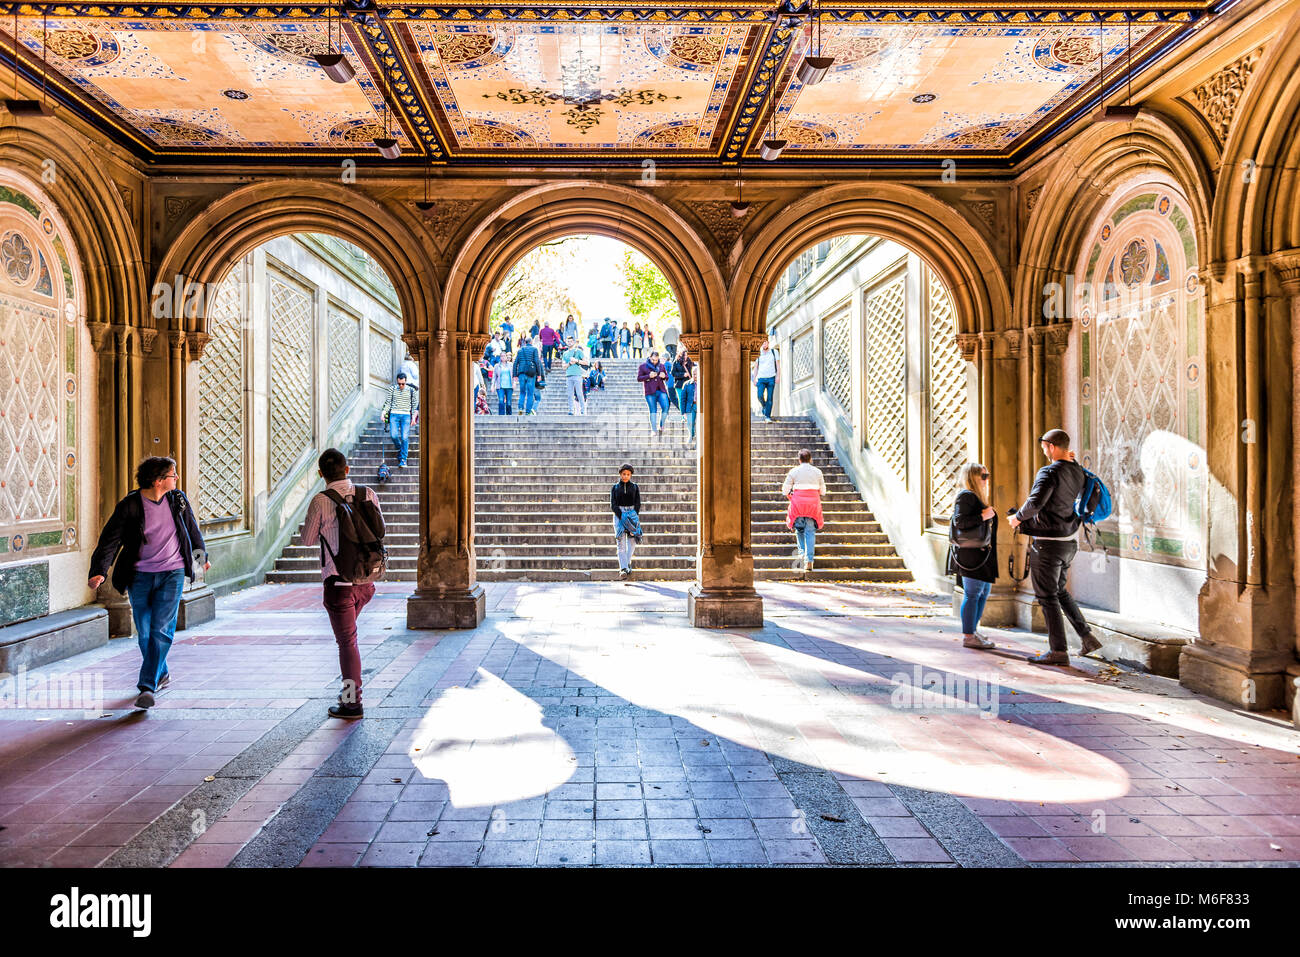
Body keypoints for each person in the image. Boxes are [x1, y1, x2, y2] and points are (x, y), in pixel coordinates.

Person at [88, 456, 209, 710]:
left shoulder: (177, 500)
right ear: (158, 481)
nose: (176, 479)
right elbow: (110, 539)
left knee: (161, 629)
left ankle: (147, 686)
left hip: (172, 573)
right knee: (145, 632)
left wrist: (201, 558)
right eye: (172, 475)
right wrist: (99, 570)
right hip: (139, 575)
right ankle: (161, 672)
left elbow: (192, 529)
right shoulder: (130, 505)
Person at [299, 448, 384, 720]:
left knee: (347, 643)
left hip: (338, 585)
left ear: (321, 474)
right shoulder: (368, 493)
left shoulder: (320, 501)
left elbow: (307, 540)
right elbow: (380, 530)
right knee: (349, 639)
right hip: (367, 582)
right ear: (347, 470)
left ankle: (351, 702)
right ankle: (348, 694)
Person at [1008, 429, 1104, 665]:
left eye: (1044, 448)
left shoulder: (1049, 472)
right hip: (1069, 541)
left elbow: (1035, 503)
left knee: (1047, 596)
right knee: (1059, 591)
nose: (1043, 452)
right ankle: (1087, 637)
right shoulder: (1077, 470)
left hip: (1048, 543)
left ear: (1051, 446)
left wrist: (1017, 518)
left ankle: (1058, 651)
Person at [948, 462, 999, 649]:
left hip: (981, 553)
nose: (987, 480)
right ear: (972, 478)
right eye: (983, 476)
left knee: (983, 593)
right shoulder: (966, 496)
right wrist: (982, 517)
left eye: (987, 476)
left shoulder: (975, 497)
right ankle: (969, 636)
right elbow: (960, 522)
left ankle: (973, 631)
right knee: (972, 593)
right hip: (970, 555)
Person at [782, 448, 825, 574]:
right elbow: (823, 491)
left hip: (798, 505)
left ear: (799, 459)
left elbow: (785, 490)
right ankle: (809, 560)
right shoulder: (818, 472)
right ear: (810, 459)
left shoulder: (794, 471)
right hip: (813, 505)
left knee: (799, 529)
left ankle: (801, 554)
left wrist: (793, 492)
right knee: (810, 531)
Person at [611, 464, 642, 580]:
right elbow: (612, 505)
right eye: (624, 474)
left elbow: (638, 503)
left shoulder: (635, 487)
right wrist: (621, 516)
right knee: (621, 542)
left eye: (628, 474)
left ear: (631, 475)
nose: (625, 476)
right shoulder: (614, 488)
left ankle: (627, 562)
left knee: (632, 541)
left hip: (632, 514)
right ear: (620, 474)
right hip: (619, 514)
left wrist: (633, 515)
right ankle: (623, 568)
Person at [380, 372, 418, 467]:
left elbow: (414, 406)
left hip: (406, 416)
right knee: (393, 436)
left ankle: (403, 460)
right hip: (394, 415)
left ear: (406, 381)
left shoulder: (411, 390)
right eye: (399, 383)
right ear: (397, 381)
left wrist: (413, 417)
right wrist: (383, 412)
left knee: (405, 437)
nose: (401, 385)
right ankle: (401, 449)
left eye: (403, 384)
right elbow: (388, 402)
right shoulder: (392, 389)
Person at [637, 349, 671, 435]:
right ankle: (654, 430)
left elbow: (666, 377)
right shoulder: (643, 366)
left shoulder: (662, 366)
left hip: (661, 390)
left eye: (656, 360)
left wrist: (664, 376)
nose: (655, 361)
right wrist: (649, 376)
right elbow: (639, 378)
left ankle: (661, 425)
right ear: (649, 357)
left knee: (666, 406)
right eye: (653, 360)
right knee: (653, 410)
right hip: (649, 391)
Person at [514, 336, 542, 415]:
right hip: (531, 374)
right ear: (531, 342)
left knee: (522, 392)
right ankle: (527, 411)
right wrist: (539, 374)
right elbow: (537, 362)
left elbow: (516, 363)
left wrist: (515, 375)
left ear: (525, 342)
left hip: (521, 373)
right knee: (530, 393)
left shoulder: (520, 350)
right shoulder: (534, 349)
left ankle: (520, 408)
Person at [752, 338, 779, 420]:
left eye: (765, 342)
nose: (764, 344)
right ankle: (764, 407)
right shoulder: (758, 353)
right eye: (762, 343)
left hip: (771, 378)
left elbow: (778, 365)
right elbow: (756, 367)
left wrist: (778, 376)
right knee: (759, 396)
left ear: (768, 343)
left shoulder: (774, 352)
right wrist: (754, 378)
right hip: (761, 379)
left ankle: (767, 416)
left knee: (770, 398)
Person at [563, 338, 589, 415]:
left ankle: (583, 409)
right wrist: (570, 363)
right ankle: (571, 410)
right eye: (568, 341)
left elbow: (586, 362)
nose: (570, 343)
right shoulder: (565, 353)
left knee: (579, 393)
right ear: (566, 342)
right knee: (570, 394)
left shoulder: (578, 351)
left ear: (573, 342)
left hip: (577, 375)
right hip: (568, 375)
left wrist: (576, 360)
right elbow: (563, 366)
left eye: (571, 341)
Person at [670, 347, 693, 415]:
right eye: (684, 355)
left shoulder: (690, 361)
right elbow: (673, 373)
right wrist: (683, 374)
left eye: (687, 355)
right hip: (679, 384)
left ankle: (688, 414)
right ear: (681, 355)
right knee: (681, 400)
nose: (686, 357)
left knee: (689, 400)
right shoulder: (676, 362)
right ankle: (683, 415)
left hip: (689, 384)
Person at [681, 366, 698, 442]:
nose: (695, 376)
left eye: (697, 374)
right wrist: (683, 412)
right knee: (690, 423)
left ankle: (699, 437)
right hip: (690, 406)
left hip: (701, 406)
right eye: (694, 374)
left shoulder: (704, 383)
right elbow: (683, 399)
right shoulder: (687, 384)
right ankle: (691, 435)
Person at [496, 349, 515, 415]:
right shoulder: (497, 366)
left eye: (504, 356)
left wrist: (514, 383)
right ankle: (501, 416)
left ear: (506, 357)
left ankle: (509, 416)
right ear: (500, 357)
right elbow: (494, 377)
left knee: (508, 402)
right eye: (501, 356)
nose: (503, 357)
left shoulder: (511, 365)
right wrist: (493, 385)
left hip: (509, 386)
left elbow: (514, 375)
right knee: (501, 401)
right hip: (500, 386)